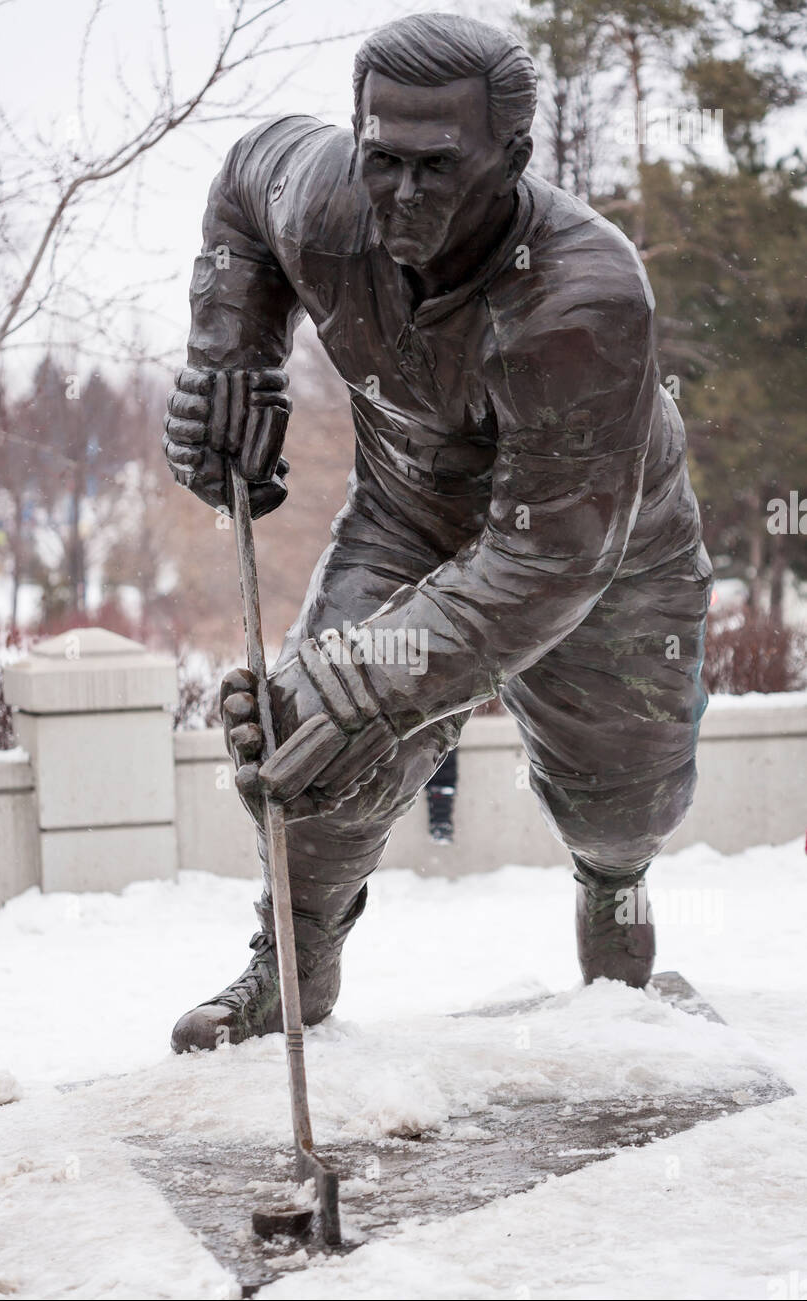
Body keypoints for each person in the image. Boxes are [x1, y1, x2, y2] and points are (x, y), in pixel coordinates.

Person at [164, 12, 712, 1053]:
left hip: (599, 549)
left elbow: (546, 560)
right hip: (408, 512)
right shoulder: (322, 192)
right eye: (383, 161)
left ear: (510, 158)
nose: (401, 196)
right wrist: (230, 360)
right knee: (309, 751)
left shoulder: (582, 298)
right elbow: (243, 183)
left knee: (620, 806)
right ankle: (290, 966)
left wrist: (373, 669)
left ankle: (613, 890)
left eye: (436, 168)